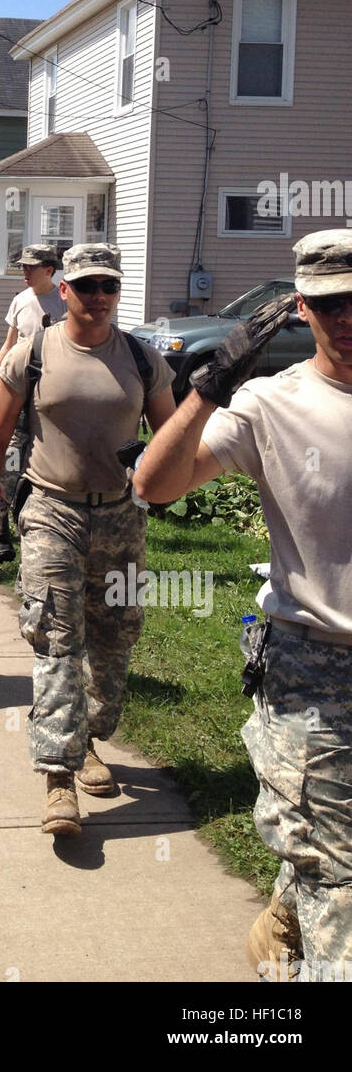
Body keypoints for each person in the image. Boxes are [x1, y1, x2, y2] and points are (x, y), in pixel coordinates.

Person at [134, 229, 352, 983]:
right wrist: (206, 388)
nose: (348, 317)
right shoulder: (269, 405)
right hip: (314, 676)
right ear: (301, 308)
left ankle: (292, 908)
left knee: (331, 862)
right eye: (331, 305)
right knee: (344, 892)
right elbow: (154, 486)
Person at [0, 244, 175, 836]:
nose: (99, 297)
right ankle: (58, 777)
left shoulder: (140, 358)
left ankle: (88, 739)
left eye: (108, 286)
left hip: (121, 516)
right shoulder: (34, 353)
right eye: (87, 286)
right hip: (52, 511)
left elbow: (171, 433)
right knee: (58, 637)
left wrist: (170, 478)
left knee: (114, 639)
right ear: (64, 290)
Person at [0, 245, 66, 561]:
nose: (25, 273)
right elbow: (9, 345)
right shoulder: (20, 300)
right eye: (22, 267)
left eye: (31, 267)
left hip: (52, 396)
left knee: (45, 462)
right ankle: (1, 527)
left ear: (50, 270)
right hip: (19, 394)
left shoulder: (64, 301)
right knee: (11, 460)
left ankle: (35, 527)